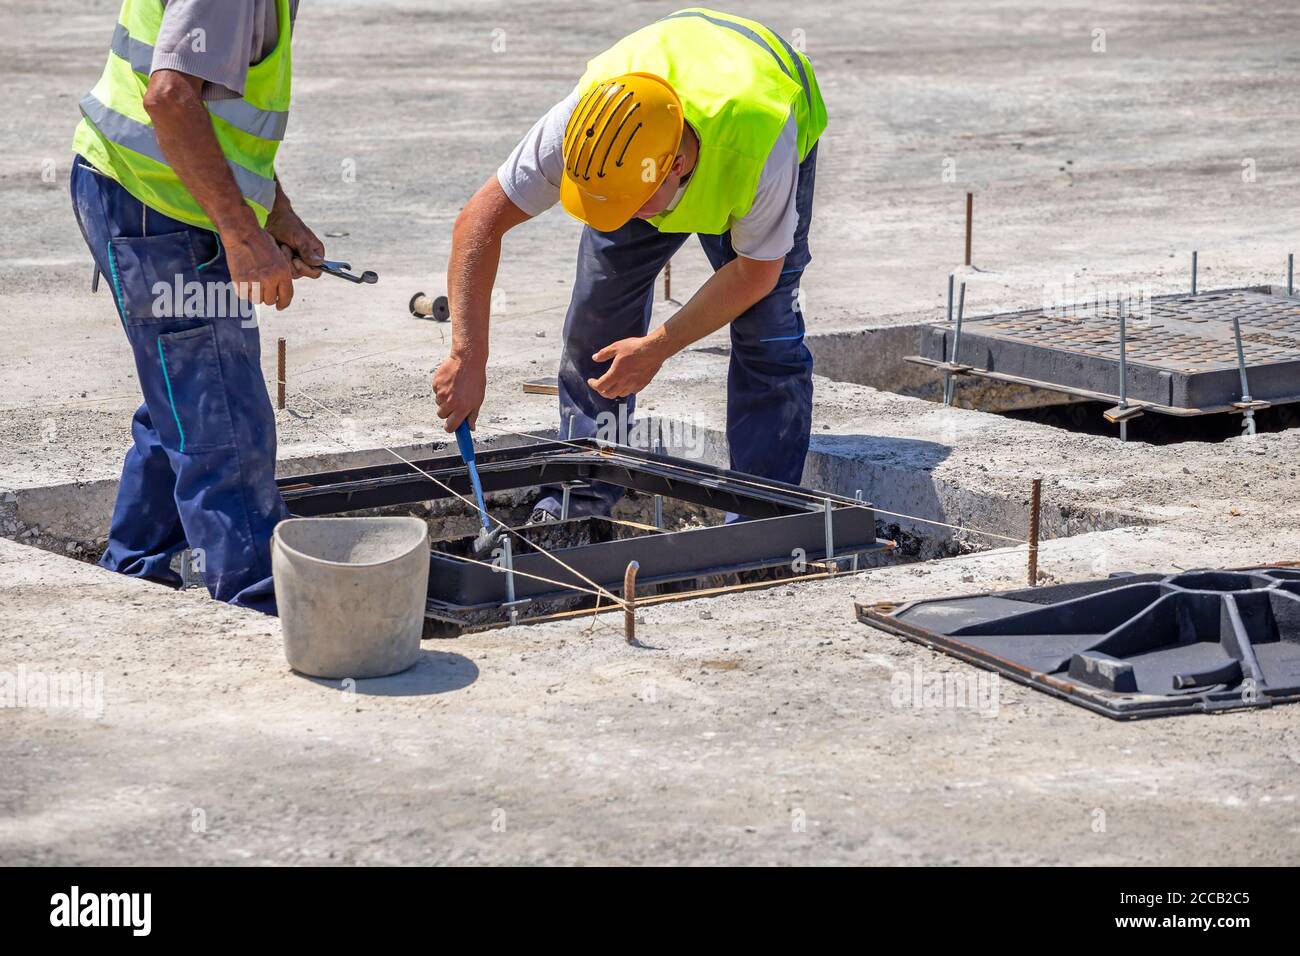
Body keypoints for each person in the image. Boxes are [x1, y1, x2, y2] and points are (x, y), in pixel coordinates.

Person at [433, 8, 827, 521]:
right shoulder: (589, 124)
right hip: (655, 128)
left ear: (677, 166)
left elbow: (756, 274)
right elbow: (477, 224)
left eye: (630, 203)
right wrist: (468, 356)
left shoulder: (759, 144)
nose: (619, 218)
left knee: (767, 333)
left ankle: (761, 516)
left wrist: (658, 347)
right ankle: (581, 495)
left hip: (753, 117)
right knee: (597, 319)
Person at [69, 0, 322, 613]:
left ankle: (136, 571)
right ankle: (259, 604)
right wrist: (241, 233)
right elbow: (170, 98)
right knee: (222, 412)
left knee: (183, 395)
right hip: (154, 205)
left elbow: (217, 110)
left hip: (143, 193)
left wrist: (273, 214)